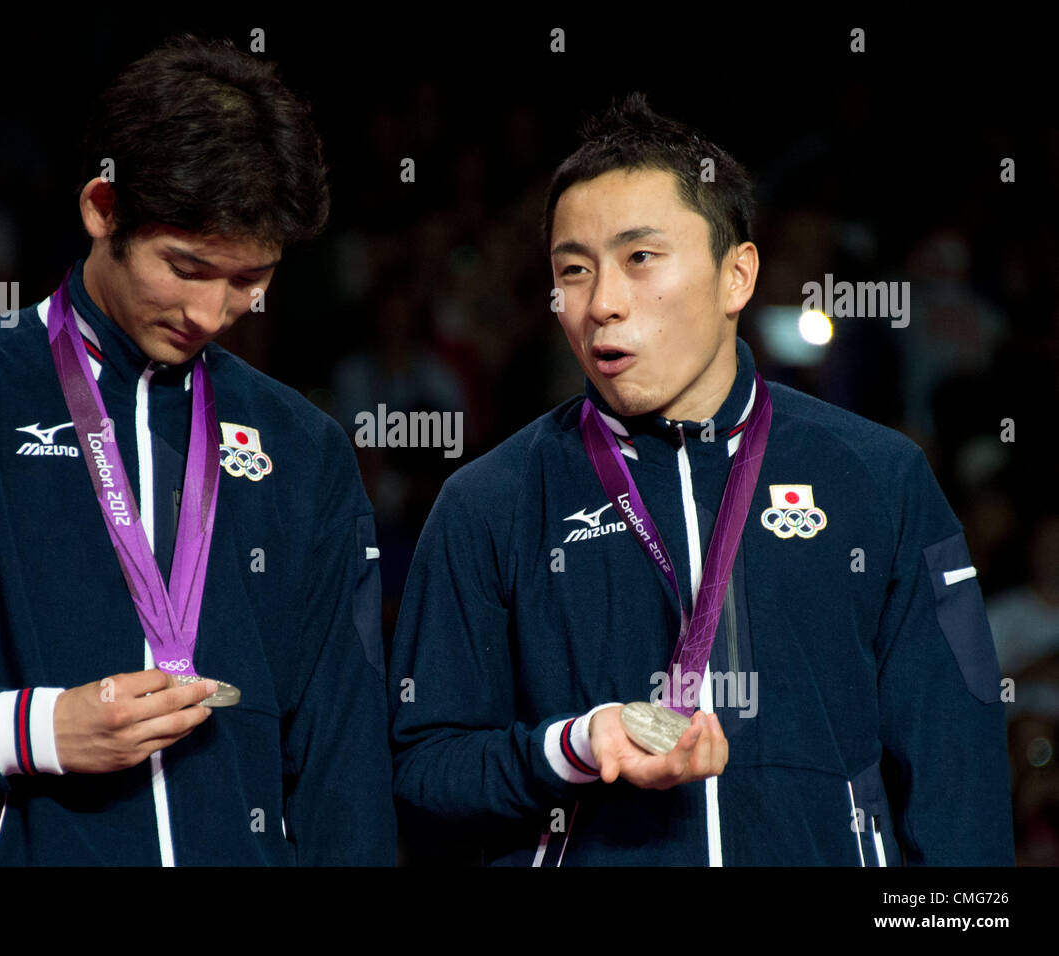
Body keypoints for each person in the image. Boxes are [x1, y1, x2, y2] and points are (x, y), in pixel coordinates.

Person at [0, 34, 395, 866]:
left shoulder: (303, 446)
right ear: (103, 209)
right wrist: (33, 729)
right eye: (187, 266)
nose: (214, 313)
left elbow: (341, 754)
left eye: (249, 279)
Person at [388, 94, 1013, 865]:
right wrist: (571, 748)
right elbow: (421, 773)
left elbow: (958, 776)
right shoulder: (491, 500)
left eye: (640, 258)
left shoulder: (876, 476)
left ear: (736, 276)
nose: (602, 303)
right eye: (572, 271)